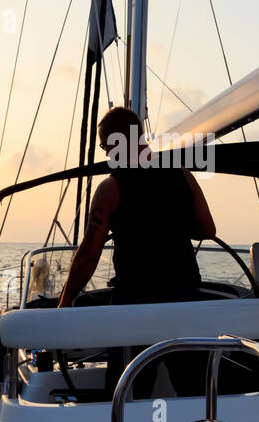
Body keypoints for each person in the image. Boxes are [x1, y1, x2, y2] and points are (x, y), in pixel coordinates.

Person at [57, 106, 217, 309]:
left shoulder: (111, 188)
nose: (107, 154)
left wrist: (64, 301)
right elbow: (208, 230)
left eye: (106, 146)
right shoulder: (183, 175)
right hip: (186, 300)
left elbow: (89, 254)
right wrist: (172, 226)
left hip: (136, 304)